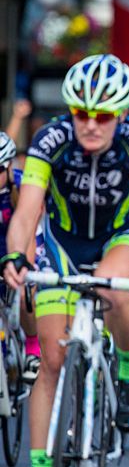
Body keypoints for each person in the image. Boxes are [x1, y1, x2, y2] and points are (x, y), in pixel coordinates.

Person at [1, 54, 129, 467]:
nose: (91, 125)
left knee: (115, 289)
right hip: (63, 243)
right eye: (81, 113)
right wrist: (16, 254)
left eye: (103, 115)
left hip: (120, 237)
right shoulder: (49, 139)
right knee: (50, 360)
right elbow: (27, 210)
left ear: (122, 114)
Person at [0, 131, 40, 385]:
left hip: (17, 245)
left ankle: (32, 347)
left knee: (28, 287)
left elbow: (30, 231)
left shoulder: (22, 185)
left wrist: (27, 265)